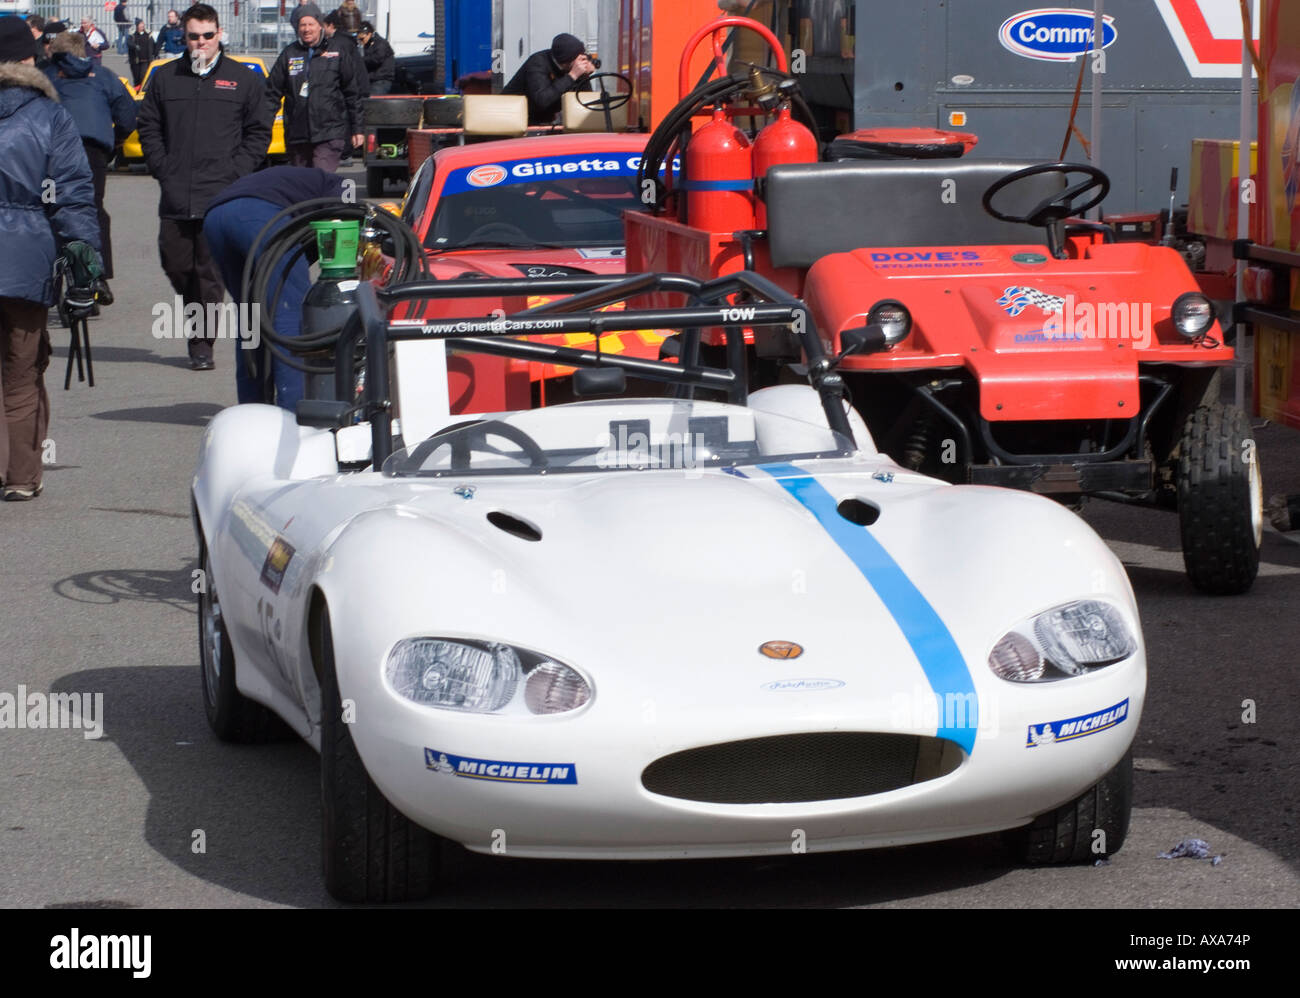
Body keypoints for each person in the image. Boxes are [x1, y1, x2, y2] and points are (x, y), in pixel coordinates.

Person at [136, 3, 271, 371]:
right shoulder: (166, 77)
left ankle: (202, 342)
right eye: (193, 36)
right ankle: (199, 318)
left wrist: (237, 172)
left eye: (207, 36)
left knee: (209, 273)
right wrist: (162, 167)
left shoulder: (242, 79)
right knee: (177, 265)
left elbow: (259, 131)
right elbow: (148, 125)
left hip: (221, 192)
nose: (200, 43)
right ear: (184, 36)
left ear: (219, 35)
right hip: (176, 190)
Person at [0, 17, 101, 500]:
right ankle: (20, 477)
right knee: (21, 371)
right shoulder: (49, 115)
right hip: (27, 258)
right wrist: (84, 266)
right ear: (27, 59)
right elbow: (73, 197)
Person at [203, 166, 348, 408]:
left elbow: (305, 251)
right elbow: (343, 226)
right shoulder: (342, 186)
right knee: (290, 314)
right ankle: (296, 410)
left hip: (216, 217)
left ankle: (252, 406)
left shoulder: (299, 183)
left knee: (251, 315)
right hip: (259, 216)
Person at [44, 30, 137, 280]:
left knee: (49, 207)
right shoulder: (105, 76)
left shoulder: (46, 75)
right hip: (93, 152)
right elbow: (128, 116)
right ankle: (98, 276)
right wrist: (116, 141)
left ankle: (50, 284)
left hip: (54, 155)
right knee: (93, 208)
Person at [265, 4, 364, 172]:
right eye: (302, 25)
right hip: (297, 134)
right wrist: (262, 127)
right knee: (301, 185)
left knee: (320, 178)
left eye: (311, 24)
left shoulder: (337, 52)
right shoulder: (289, 54)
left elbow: (352, 94)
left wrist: (358, 129)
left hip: (329, 132)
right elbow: (271, 94)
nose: (307, 29)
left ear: (320, 25)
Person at [501, 33, 595, 126]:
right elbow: (542, 100)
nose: (581, 62)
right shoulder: (537, 63)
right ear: (566, 62)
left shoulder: (570, 68)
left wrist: (584, 76)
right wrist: (572, 75)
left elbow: (585, 103)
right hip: (512, 118)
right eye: (578, 59)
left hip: (545, 119)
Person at [357, 21, 392, 95]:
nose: (361, 42)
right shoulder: (368, 44)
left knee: (372, 102)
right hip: (372, 79)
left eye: (362, 39)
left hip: (381, 80)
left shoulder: (381, 43)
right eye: (359, 40)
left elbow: (377, 59)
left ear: (369, 34)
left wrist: (360, 61)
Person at [127, 18, 156, 87]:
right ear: (137, 26)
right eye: (140, 24)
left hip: (146, 60)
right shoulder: (132, 35)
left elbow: (154, 45)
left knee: (143, 77)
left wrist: (155, 53)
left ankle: (143, 93)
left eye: (143, 24)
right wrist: (135, 46)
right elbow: (129, 43)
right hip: (135, 61)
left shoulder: (148, 34)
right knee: (136, 79)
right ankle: (137, 93)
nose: (142, 25)